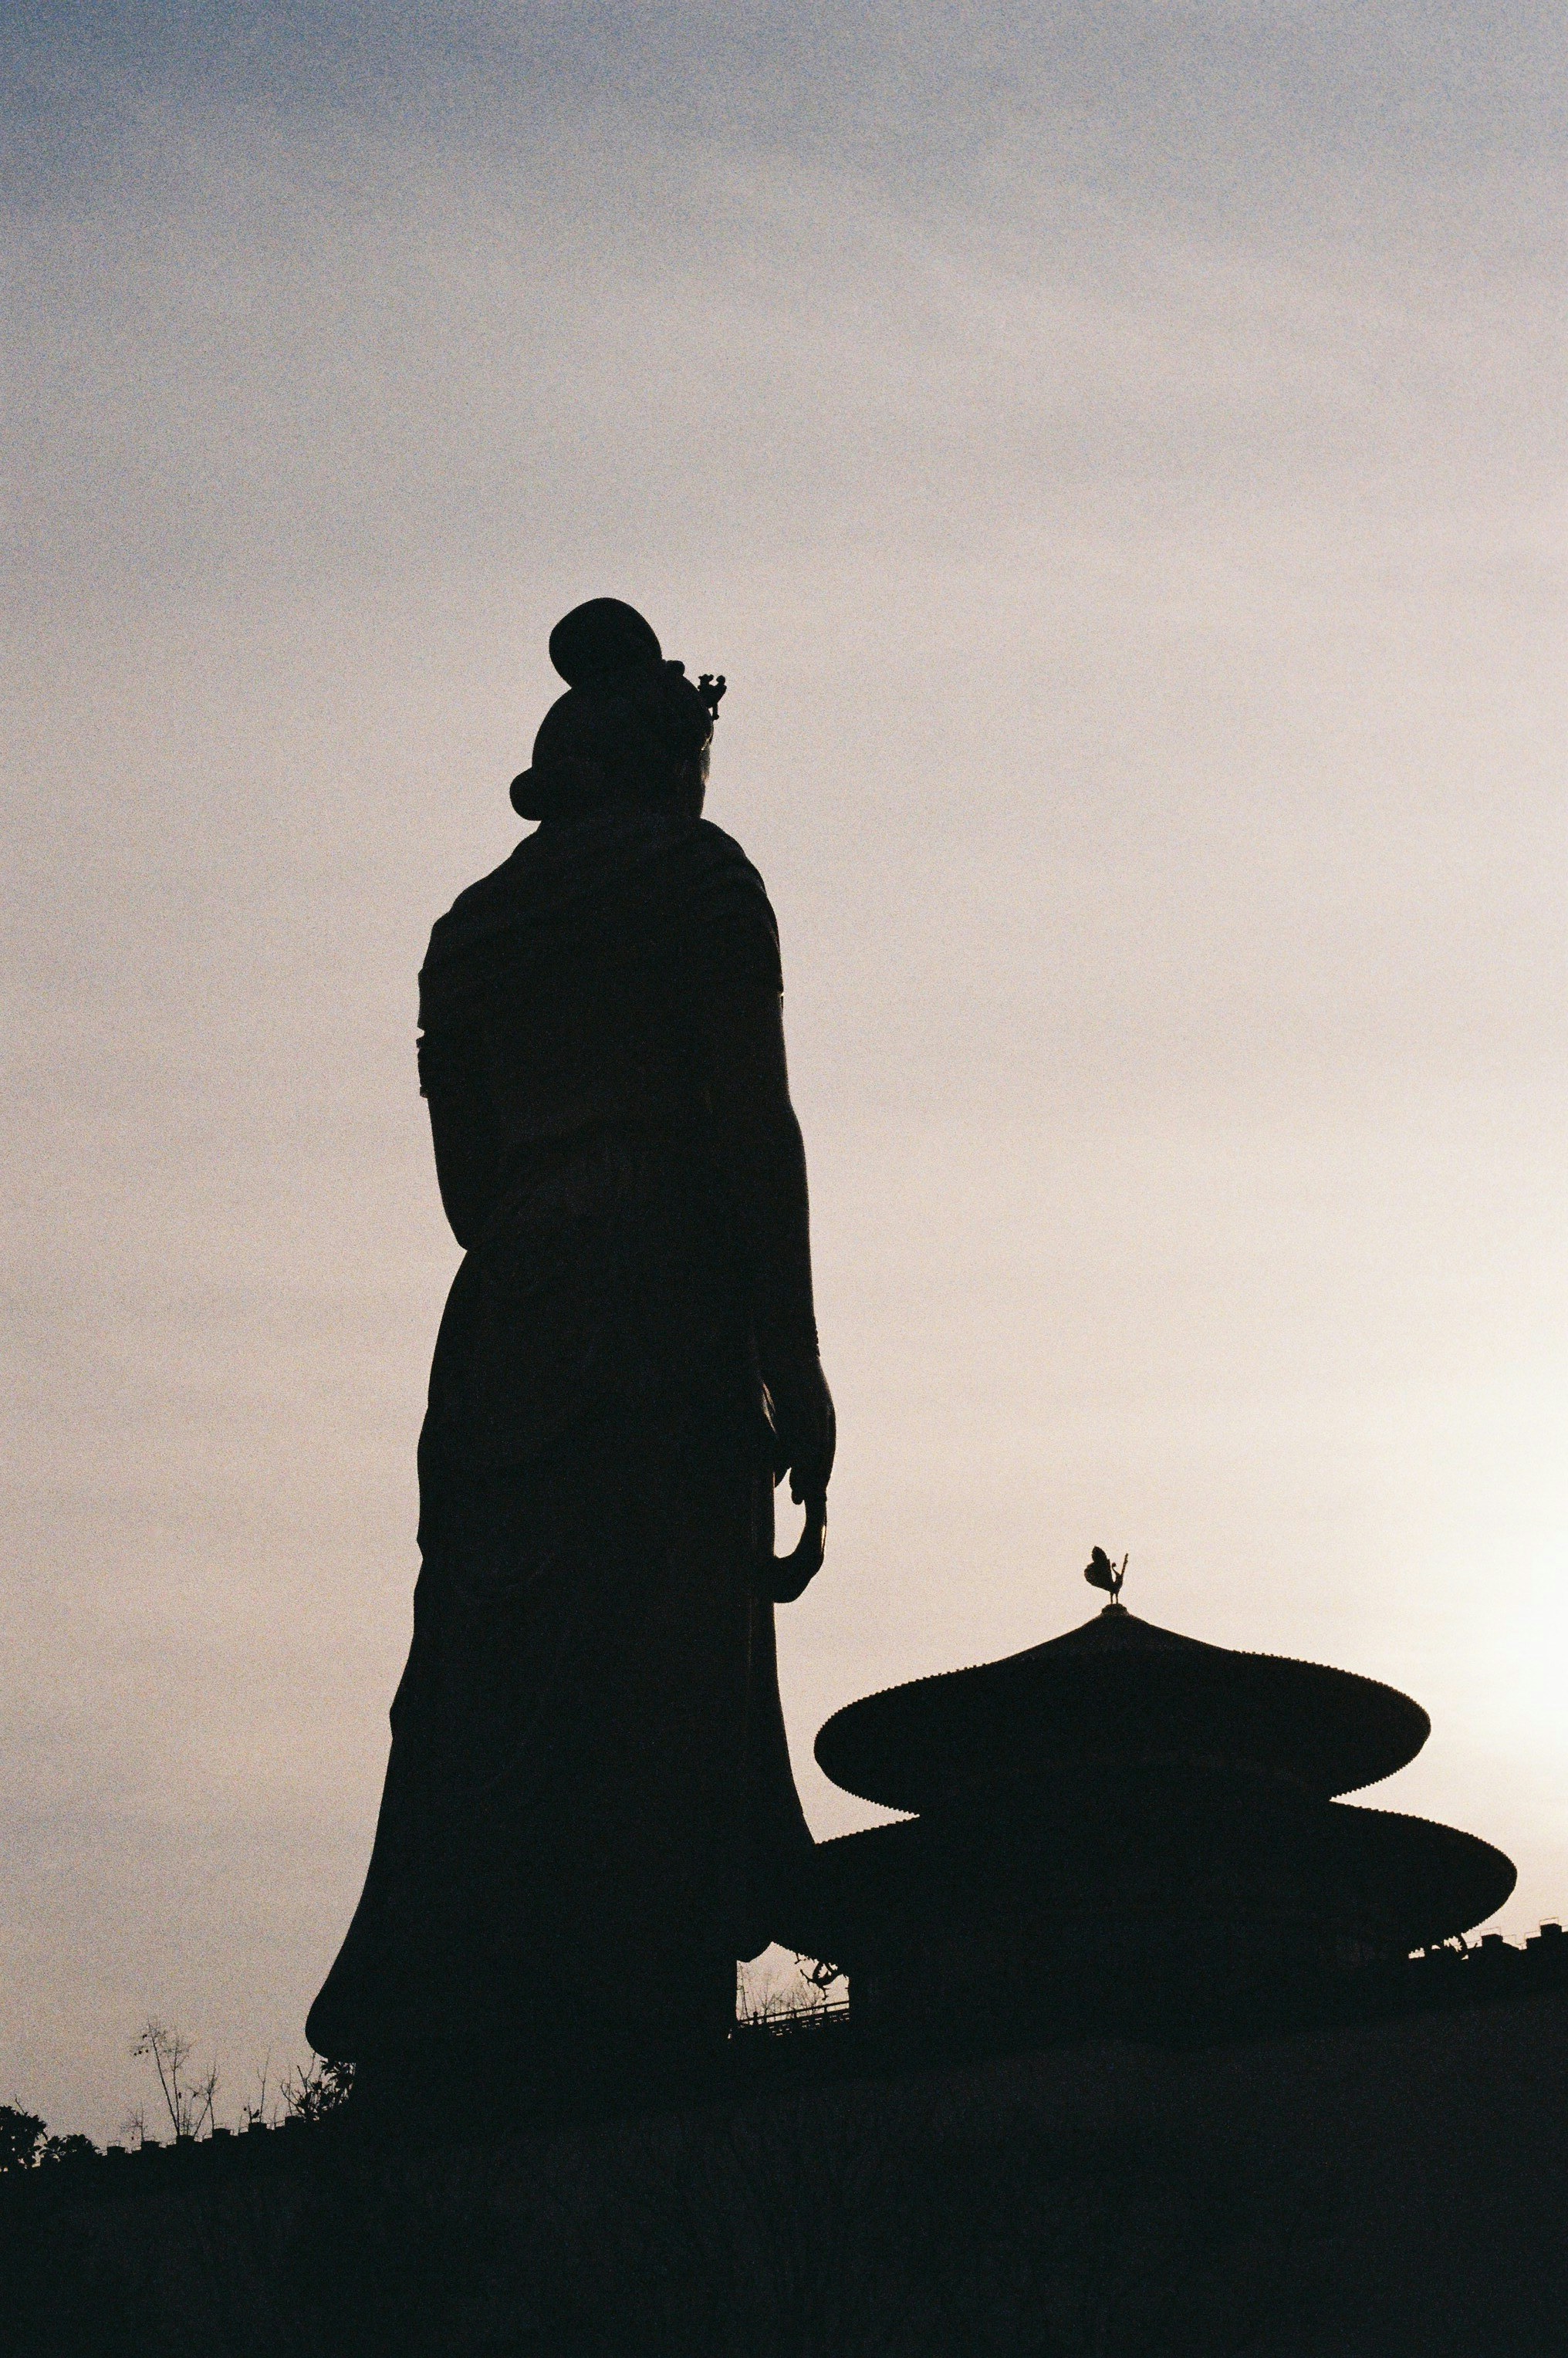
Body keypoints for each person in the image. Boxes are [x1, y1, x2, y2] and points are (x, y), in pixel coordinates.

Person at [306, 599, 835, 2114]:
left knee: (490, 1656)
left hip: (507, 1305)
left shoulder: (468, 935)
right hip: (660, 1280)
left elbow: (465, 1192)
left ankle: (467, 2001)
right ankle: (630, 2008)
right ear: (660, 763)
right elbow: (752, 1122)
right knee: (651, 1646)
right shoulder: (698, 878)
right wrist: (790, 1354)